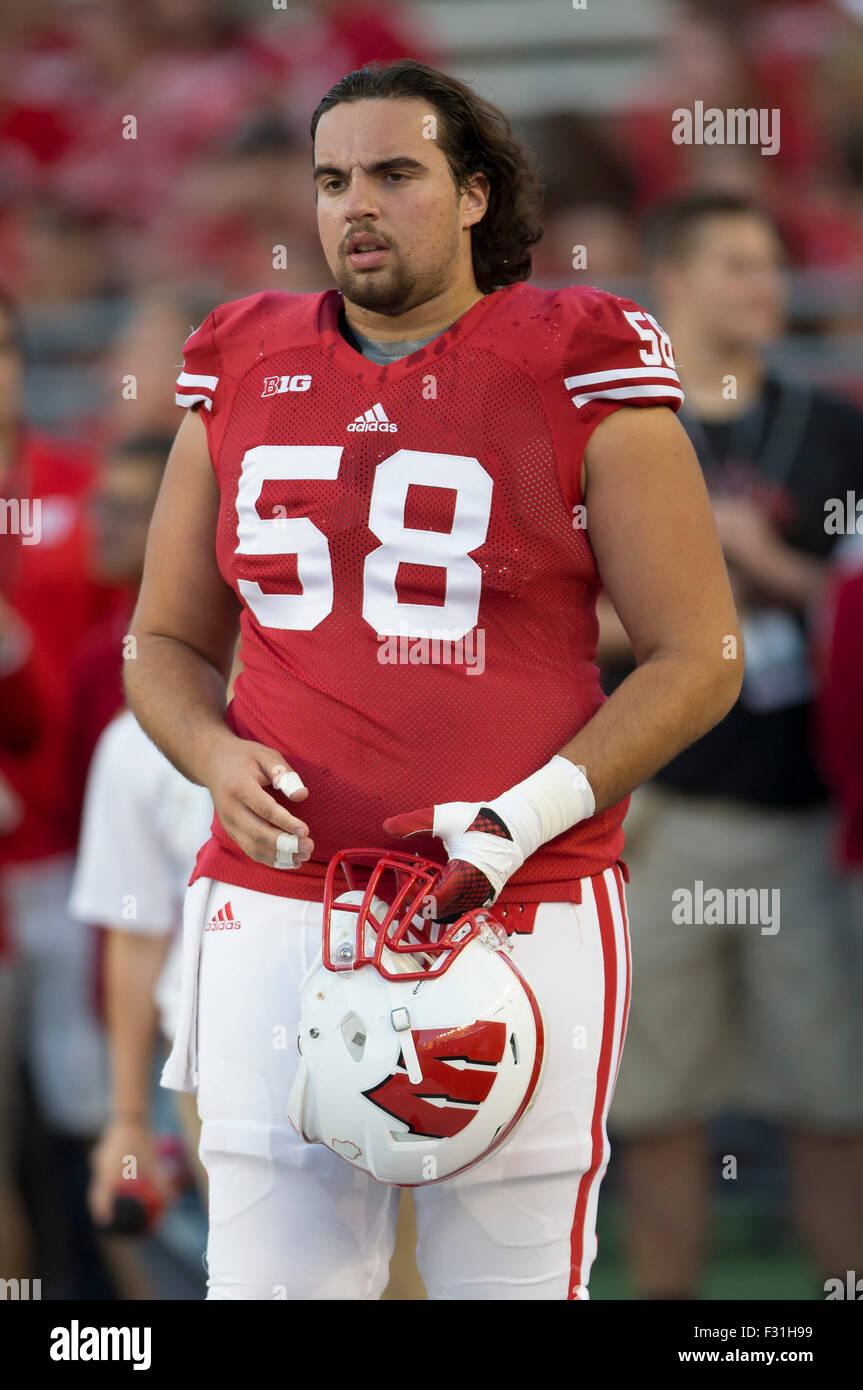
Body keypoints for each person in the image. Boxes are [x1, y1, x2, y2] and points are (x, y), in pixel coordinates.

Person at [124, 59, 742, 1301]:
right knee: (270, 1287)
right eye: (332, 178)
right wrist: (207, 751)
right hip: (278, 896)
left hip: (521, 905)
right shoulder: (237, 360)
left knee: (508, 1283)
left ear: (472, 195)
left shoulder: (575, 354)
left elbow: (698, 655)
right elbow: (162, 644)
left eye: (395, 174)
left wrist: (522, 821)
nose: (355, 203)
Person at [603, 191, 863, 1299]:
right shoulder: (617, 431)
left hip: (799, 810)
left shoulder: (835, 430)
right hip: (665, 811)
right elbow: (566, 616)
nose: (762, 286)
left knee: (831, 1105)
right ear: (674, 279)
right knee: (657, 1110)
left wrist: (769, 566)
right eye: (735, 264)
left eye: (769, 264)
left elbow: (850, 618)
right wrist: (687, 605)